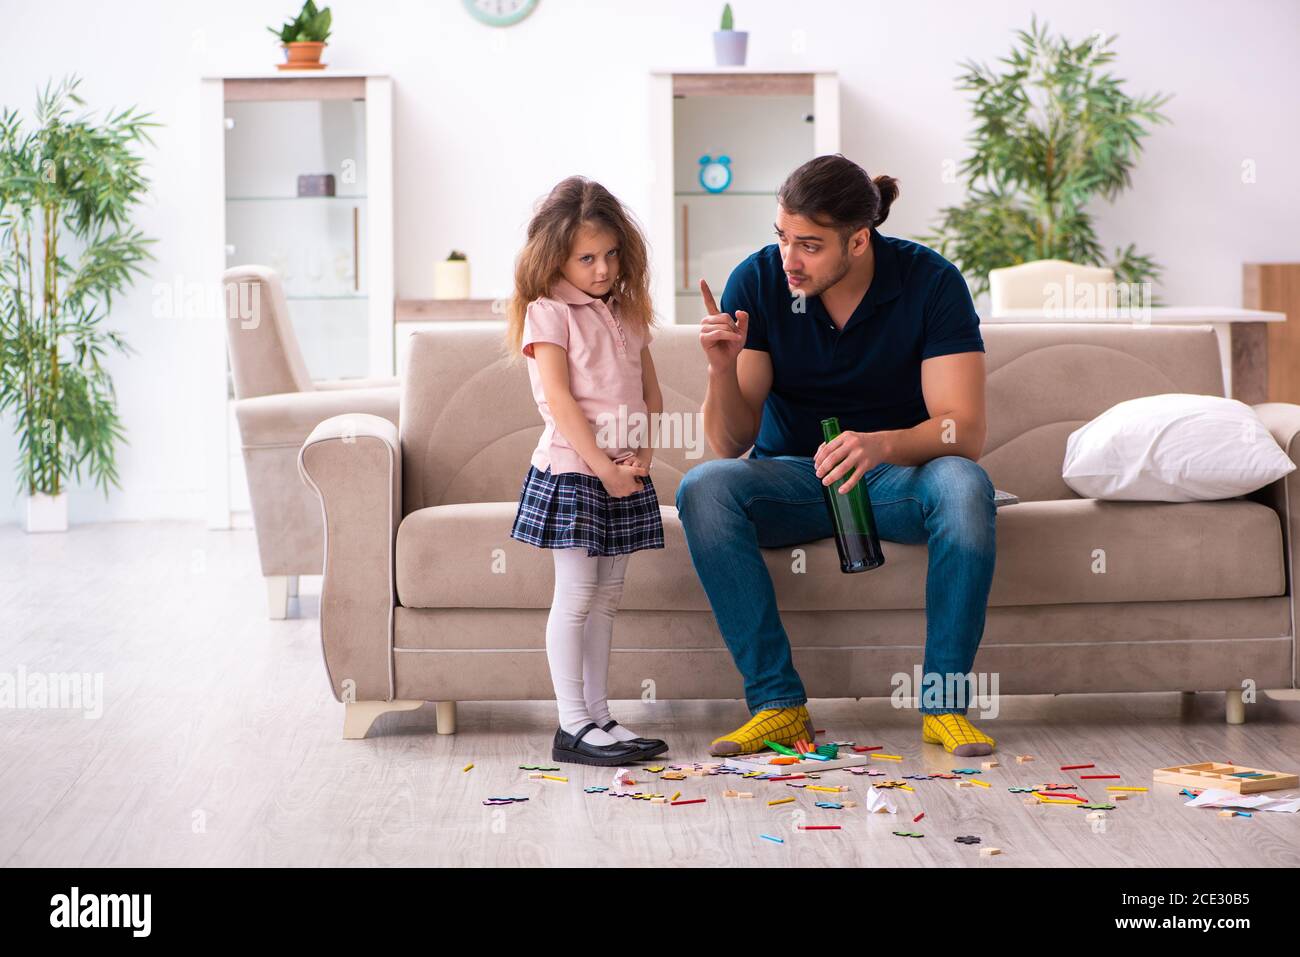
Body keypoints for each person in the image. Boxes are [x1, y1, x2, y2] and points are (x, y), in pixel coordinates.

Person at [676, 154, 999, 757]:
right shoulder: (760, 282)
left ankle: (945, 707)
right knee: (705, 486)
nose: (789, 261)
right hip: (793, 481)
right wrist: (721, 371)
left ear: (858, 239)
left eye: (809, 245)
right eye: (781, 238)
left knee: (963, 484)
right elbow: (728, 443)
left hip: (895, 478)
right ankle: (778, 707)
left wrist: (880, 445)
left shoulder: (930, 282)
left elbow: (964, 432)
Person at [506, 175, 670, 766]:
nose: (601, 269)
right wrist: (604, 467)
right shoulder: (549, 313)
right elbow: (560, 402)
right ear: (556, 257)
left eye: (610, 254)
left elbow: (650, 394)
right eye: (585, 258)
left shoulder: (626, 309)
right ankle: (571, 724)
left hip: (624, 471)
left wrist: (642, 456)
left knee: (607, 599)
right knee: (575, 596)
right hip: (577, 472)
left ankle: (600, 716)